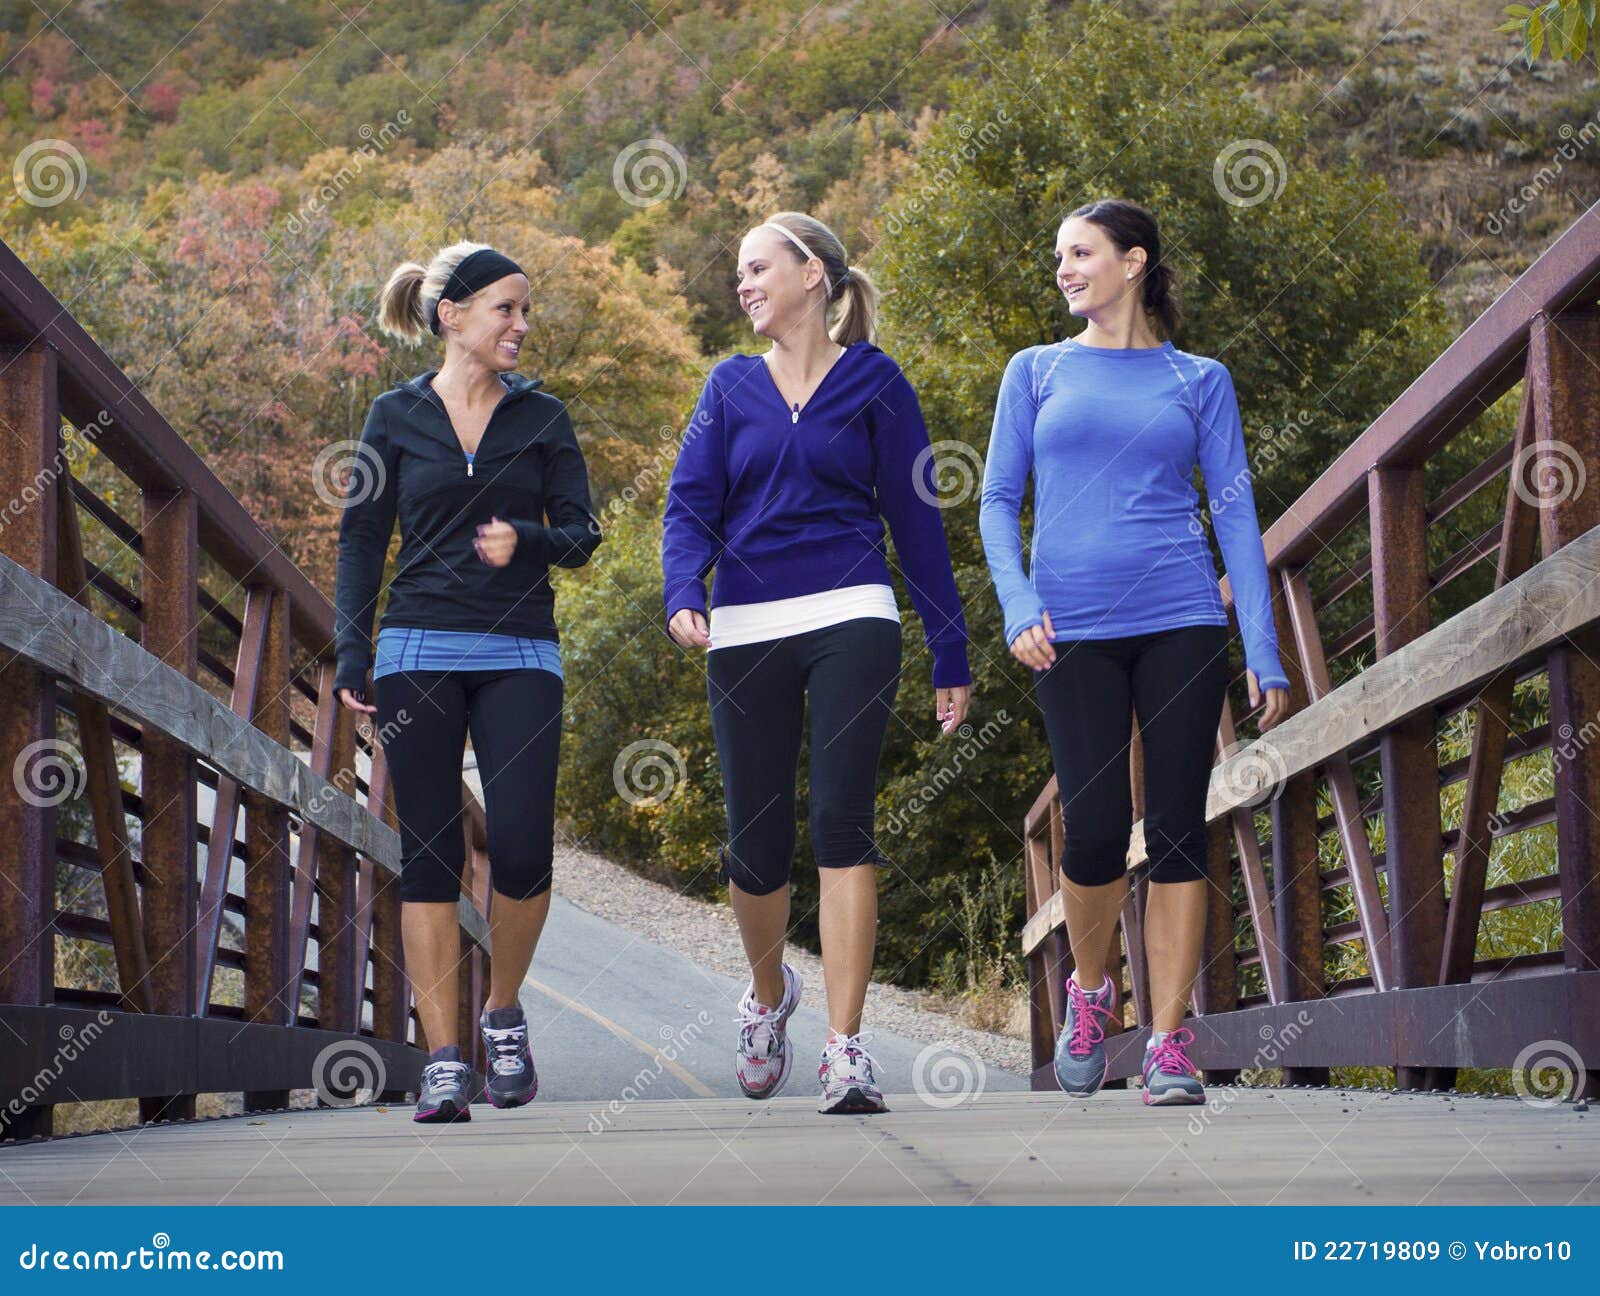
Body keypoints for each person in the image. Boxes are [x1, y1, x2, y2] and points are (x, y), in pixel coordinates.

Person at [978, 198, 1290, 1107]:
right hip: (1069, 625)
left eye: (1081, 252)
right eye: (1060, 256)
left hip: (1181, 614)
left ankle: (1167, 1043)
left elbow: (1233, 512)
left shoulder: (1200, 380)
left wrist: (1262, 650)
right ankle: (1090, 992)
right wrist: (1018, 603)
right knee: (1098, 827)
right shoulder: (1034, 371)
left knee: (1184, 822)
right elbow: (998, 501)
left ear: (1134, 261)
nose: (1065, 268)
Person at [661, 212, 973, 1114]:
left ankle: (846, 1047)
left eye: (759, 267)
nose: (745, 284)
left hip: (853, 611)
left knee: (843, 819)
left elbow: (916, 522)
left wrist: (947, 643)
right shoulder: (727, 388)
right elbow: (690, 506)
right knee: (754, 843)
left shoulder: (876, 383)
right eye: (740, 274)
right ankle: (768, 1000)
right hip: (748, 623)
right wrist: (685, 590)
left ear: (813, 274)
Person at [332, 242, 602, 1123]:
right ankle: (445, 1056)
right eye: (505, 310)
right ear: (451, 315)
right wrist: (350, 652)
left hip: (521, 647)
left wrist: (526, 536)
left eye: (526, 311)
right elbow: (363, 537)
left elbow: (583, 533)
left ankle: (504, 1012)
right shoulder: (393, 416)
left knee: (523, 848)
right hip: (416, 648)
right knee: (431, 856)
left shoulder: (544, 419)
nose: (521, 326)